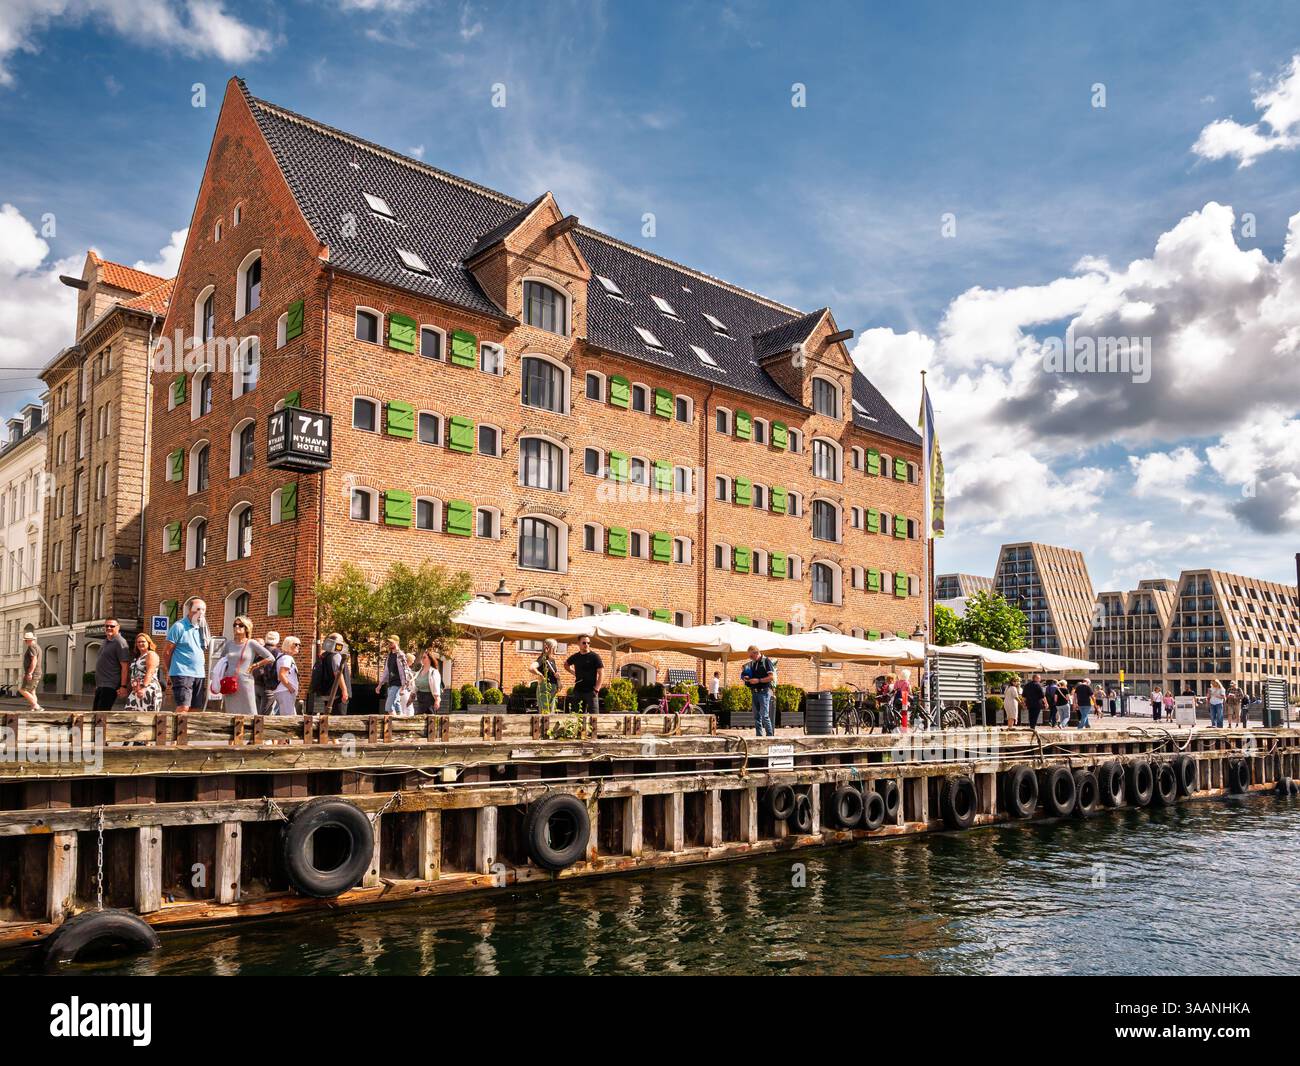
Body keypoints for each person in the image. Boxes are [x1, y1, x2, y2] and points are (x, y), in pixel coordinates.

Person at [211, 617, 274, 716]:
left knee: (249, 711)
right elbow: (222, 660)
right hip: (229, 682)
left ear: (247, 628)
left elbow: (271, 657)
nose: (237, 627)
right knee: (231, 712)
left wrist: (255, 665)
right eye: (235, 625)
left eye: (240, 625)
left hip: (245, 681)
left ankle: (248, 731)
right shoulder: (229, 644)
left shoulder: (251, 643)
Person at [161, 599, 211, 712]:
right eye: (197, 609)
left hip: (199, 673)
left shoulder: (202, 628)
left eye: (203, 610)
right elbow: (167, 652)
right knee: (183, 707)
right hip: (182, 672)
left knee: (196, 709)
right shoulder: (179, 627)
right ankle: (176, 729)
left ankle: (189, 730)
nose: (200, 612)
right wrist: (169, 670)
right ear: (189, 610)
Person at [93, 618, 131, 711]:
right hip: (101, 685)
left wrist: (123, 686)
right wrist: (98, 685)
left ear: (118, 627)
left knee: (101, 715)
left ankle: (101, 727)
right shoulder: (105, 641)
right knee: (94, 714)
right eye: (107, 626)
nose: (109, 628)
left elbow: (125, 666)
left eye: (112, 626)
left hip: (110, 685)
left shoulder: (120, 642)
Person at [310, 634, 352, 715]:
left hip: (326, 693)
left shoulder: (324, 655)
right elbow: (338, 673)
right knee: (339, 721)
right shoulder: (336, 655)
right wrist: (344, 690)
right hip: (336, 695)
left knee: (327, 719)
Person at [740, 645, 776, 737]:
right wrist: (747, 678)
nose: (750, 658)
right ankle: (759, 737)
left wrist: (758, 680)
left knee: (765, 715)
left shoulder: (766, 661)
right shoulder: (753, 663)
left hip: (764, 692)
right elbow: (751, 676)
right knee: (756, 717)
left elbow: (771, 677)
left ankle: (770, 737)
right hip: (754, 692)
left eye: (751, 656)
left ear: (756, 653)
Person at [564, 635, 604, 714]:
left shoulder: (595, 657)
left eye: (588, 643)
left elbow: (601, 673)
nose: (586, 645)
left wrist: (597, 689)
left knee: (594, 716)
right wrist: (574, 673)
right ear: (578, 643)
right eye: (584, 643)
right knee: (578, 716)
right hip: (578, 691)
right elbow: (566, 665)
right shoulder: (575, 657)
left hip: (591, 691)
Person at [124, 632, 163, 713]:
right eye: (138, 642)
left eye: (143, 641)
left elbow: (150, 672)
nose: (140, 644)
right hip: (136, 689)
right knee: (130, 714)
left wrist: (143, 687)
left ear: (148, 643)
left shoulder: (151, 654)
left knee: (146, 717)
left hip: (147, 688)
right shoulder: (137, 657)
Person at [376, 635, 411, 714]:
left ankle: (393, 724)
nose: (390, 643)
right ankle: (401, 722)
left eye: (392, 642)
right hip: (391, 684)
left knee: (389, 706)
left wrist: (404, 686)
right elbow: (386, 671)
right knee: (396, 705)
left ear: (397, 642)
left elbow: (405, 671)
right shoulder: (389, 656)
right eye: (389, 642)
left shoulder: (400, 655)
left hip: (398, 684)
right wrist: (380, 684)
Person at [253, 630, 282, 715]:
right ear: (277, 640)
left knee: (256, 713)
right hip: (268, 686)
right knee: (265, 715)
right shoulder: (277, 652)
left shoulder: (260, 649)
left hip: (256, 683)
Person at [273, 636, 301, 716]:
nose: (298, 646)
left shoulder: (282, 656)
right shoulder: (287, 658)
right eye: (296, 644)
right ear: (289, 645)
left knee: (288, 716)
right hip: (285, 691)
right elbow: (282, 675)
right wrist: (290, 688)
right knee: (288, 718)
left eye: (299, 645)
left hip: (283, 691)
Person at [529, 639, 560, 712]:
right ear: (551, 647)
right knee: (544, 712)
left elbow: (555, 674)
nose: (556, 649)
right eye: (556, 647)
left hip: (553, 689)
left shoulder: (552, 660)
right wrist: (539, 674)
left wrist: (558, 681)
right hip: (544, 688)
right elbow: (531, 668)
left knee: (551, 713)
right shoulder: (542, 659)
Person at [412, 650, 442, 715]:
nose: (422, 659)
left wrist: (437, 700)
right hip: (420, 698)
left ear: (430, 659)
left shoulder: (434, 672)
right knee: (419, 718)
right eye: (422, 657)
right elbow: (416, 684)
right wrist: (412, 695)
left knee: (430, 719)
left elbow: (436, 686)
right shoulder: (420, 671)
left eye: (424, 657)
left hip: (429, 699)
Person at [18, 632, 42, 712]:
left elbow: (34, 660)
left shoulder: (31, 647)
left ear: (29, 640)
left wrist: (29, 673)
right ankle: (33, 708)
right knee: (32, 691)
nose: (25, 642)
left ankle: (37, 706)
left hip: (33, 673)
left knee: (22, 690)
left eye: (26, 640)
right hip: (37, 672)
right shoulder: (37, 647)